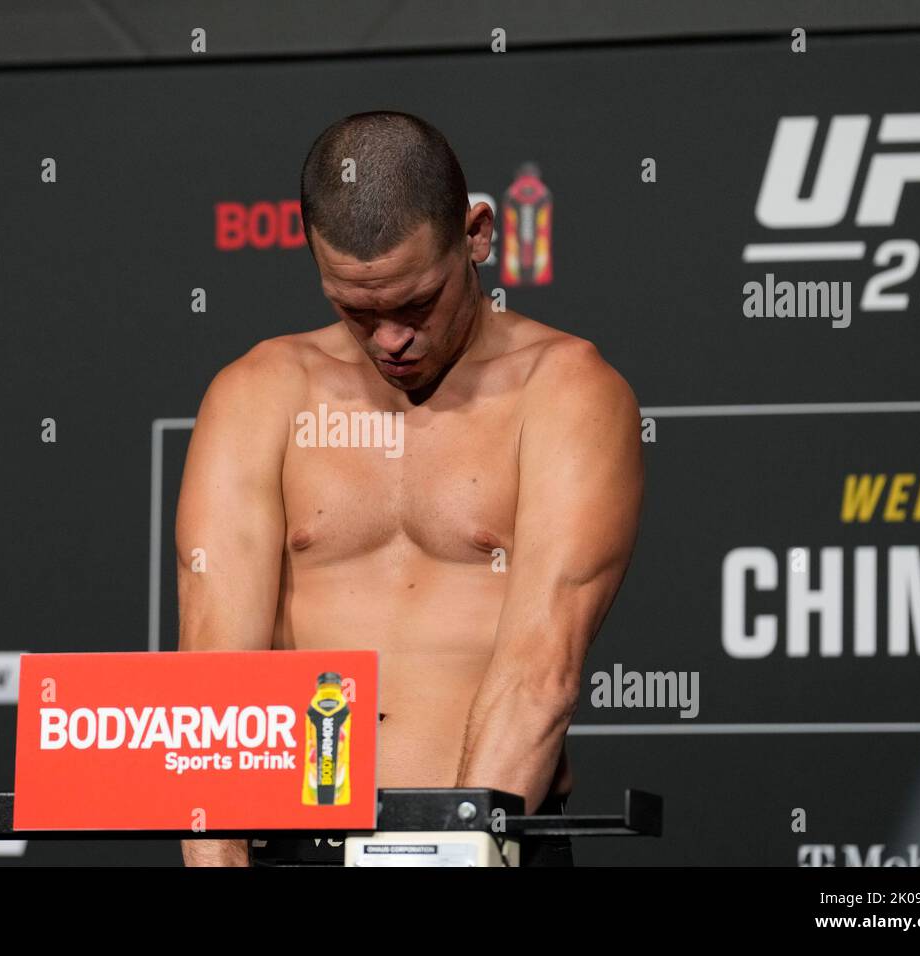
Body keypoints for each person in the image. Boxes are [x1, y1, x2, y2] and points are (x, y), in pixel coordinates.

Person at [178, 111, 643, 866]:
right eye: (356, 310)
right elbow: (215, 677)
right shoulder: (258, 392)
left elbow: (541, 666)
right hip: (298, 842)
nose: (390, 339)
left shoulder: (566, 393)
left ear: (478, 234)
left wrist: (455, 854)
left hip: (488, 840)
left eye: (416, 304)